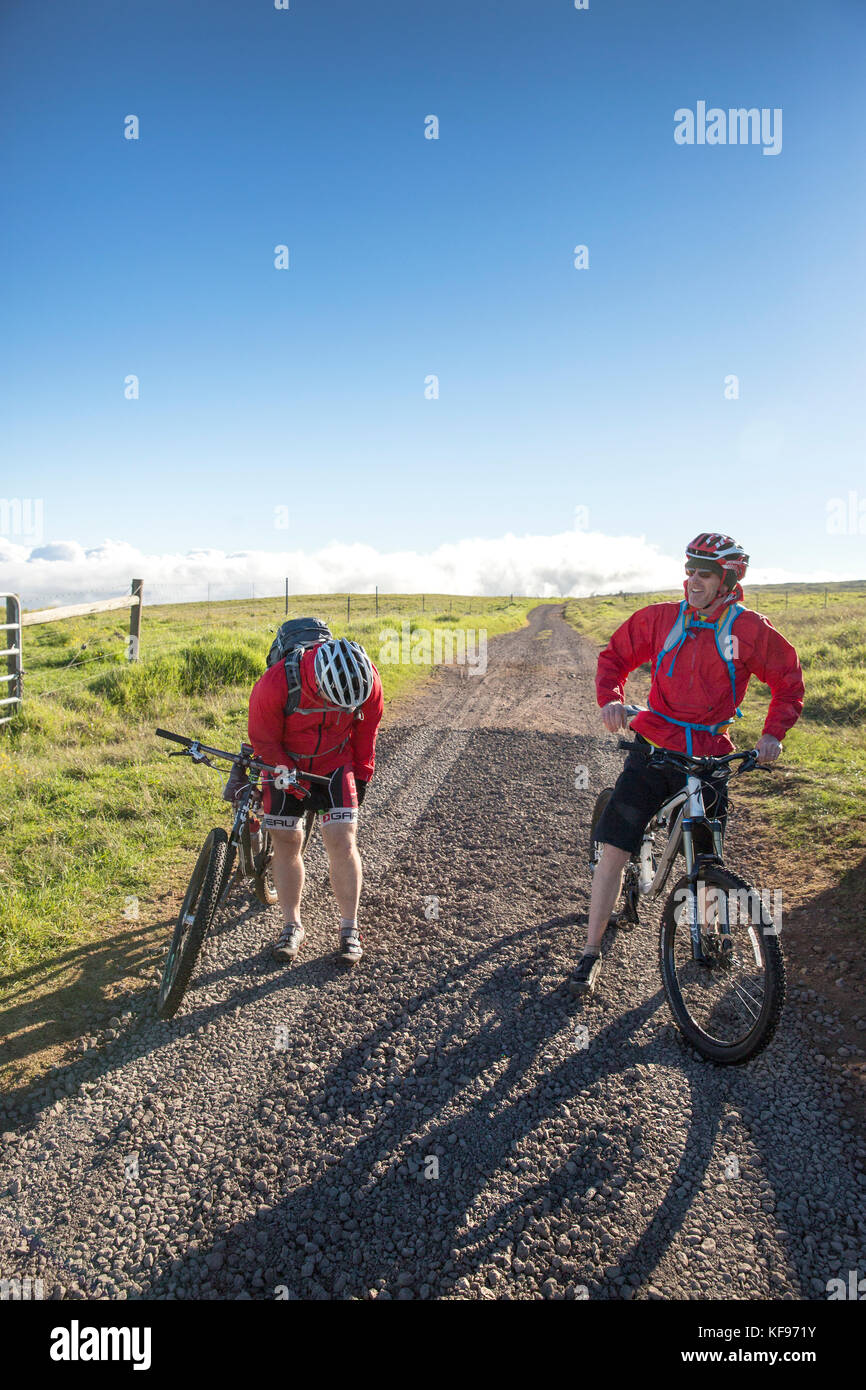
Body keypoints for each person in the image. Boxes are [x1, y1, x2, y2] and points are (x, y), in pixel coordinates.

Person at [569, 533, 805, 995]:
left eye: (705, 573)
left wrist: (773, 733)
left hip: (710, 754)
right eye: (690, 570)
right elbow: (614, 657)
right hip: (655, 747)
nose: (692, 580)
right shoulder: (662, 619)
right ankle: (591, 951)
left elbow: (788, 681)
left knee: (710, 849)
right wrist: (611, 701)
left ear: (727, 580)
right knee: (615, 847)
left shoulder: (748, 630)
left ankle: (716, 935)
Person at [248, 635, 383, 965]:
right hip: (283, 759)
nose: (337, 709)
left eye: (344, 707)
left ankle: (350, 929)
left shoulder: (369, 684)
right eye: (330, 700)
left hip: (335, 764)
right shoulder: (276, 682)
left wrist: (362, 776)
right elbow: (263, 738)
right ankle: (292, 925)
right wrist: (286, 776)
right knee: (286, 841)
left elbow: (366, 735)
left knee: (342, 840)